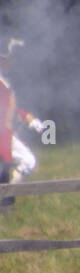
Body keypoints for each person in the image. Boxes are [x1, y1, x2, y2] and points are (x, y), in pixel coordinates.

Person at [0, 38, 43, 187]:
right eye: (10, 58)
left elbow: (9, 108)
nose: (13, 62)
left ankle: (6, 201)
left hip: (5, 133)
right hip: (2, 134)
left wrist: (29, 119)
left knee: (4, 172)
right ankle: (7, 196)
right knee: (28, 162)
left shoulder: (4, 82)